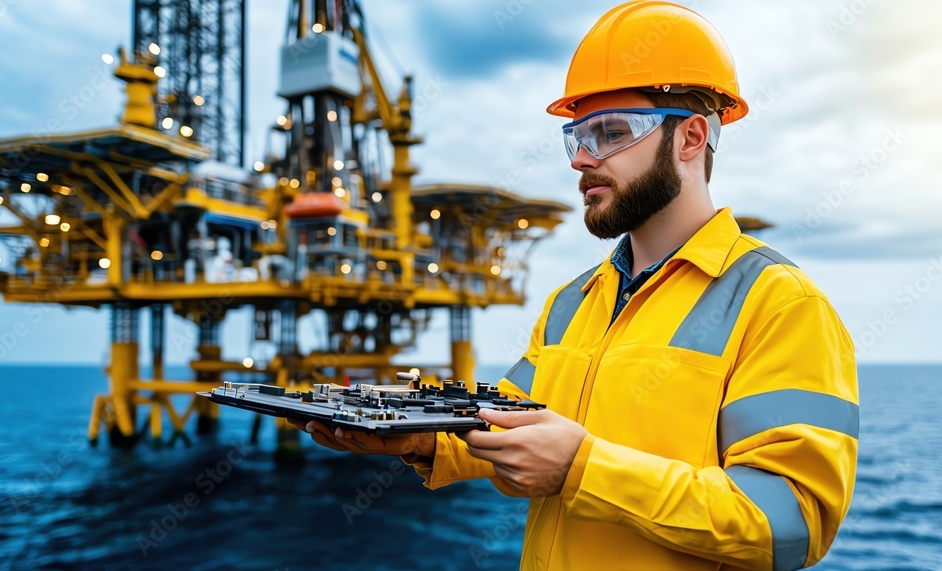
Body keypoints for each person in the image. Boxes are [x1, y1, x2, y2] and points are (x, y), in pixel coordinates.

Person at [291, 2, 859, 569]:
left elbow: (790, 524)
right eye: (577, 137)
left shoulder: (781, 304)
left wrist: (583, 469)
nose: (581, 159)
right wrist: (420, 437)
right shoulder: (573, 302)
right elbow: (510, 424)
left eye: (610, 133)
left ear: (689, 139)